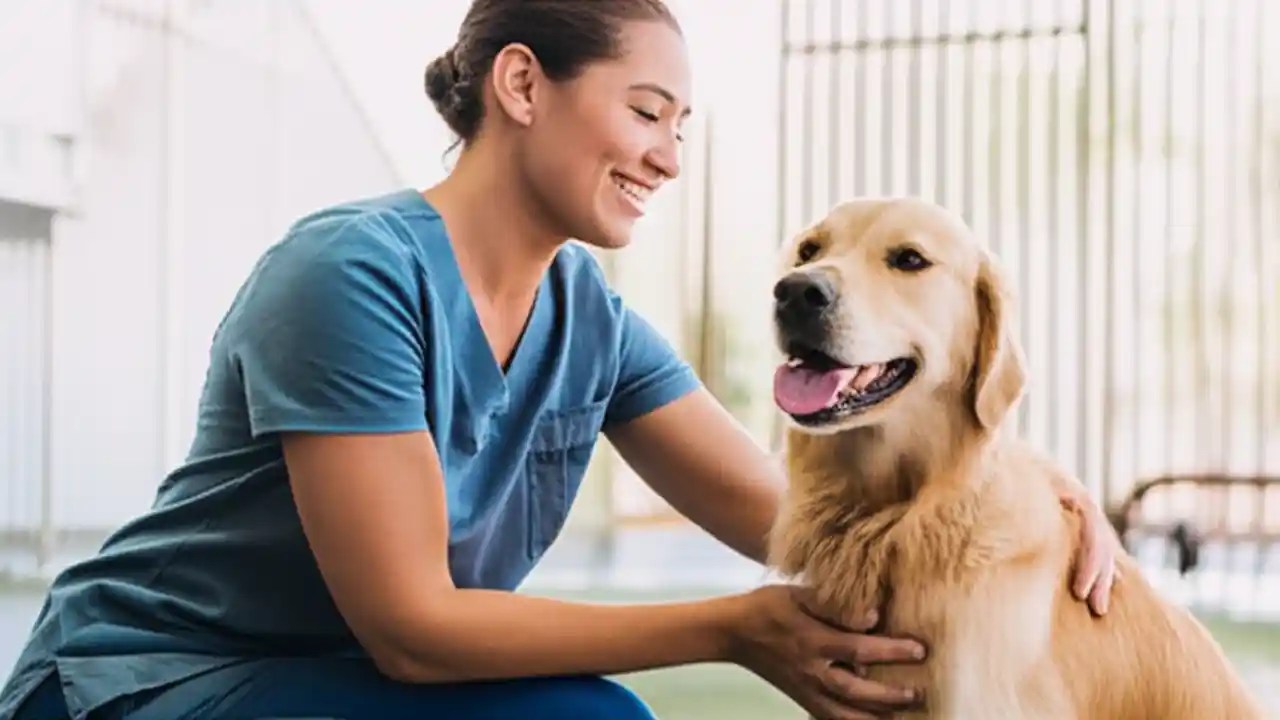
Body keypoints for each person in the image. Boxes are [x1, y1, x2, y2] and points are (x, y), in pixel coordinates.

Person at [0, 1, 1120, 718]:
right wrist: (729, 628)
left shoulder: (587, 315)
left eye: (681, 126)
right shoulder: (346, 275)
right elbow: (413, 629)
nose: (666, 157)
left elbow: (785, 520)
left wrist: (1030, 501)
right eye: (646, 112)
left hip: (325, 680)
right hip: (147, 680)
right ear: (523, 86)